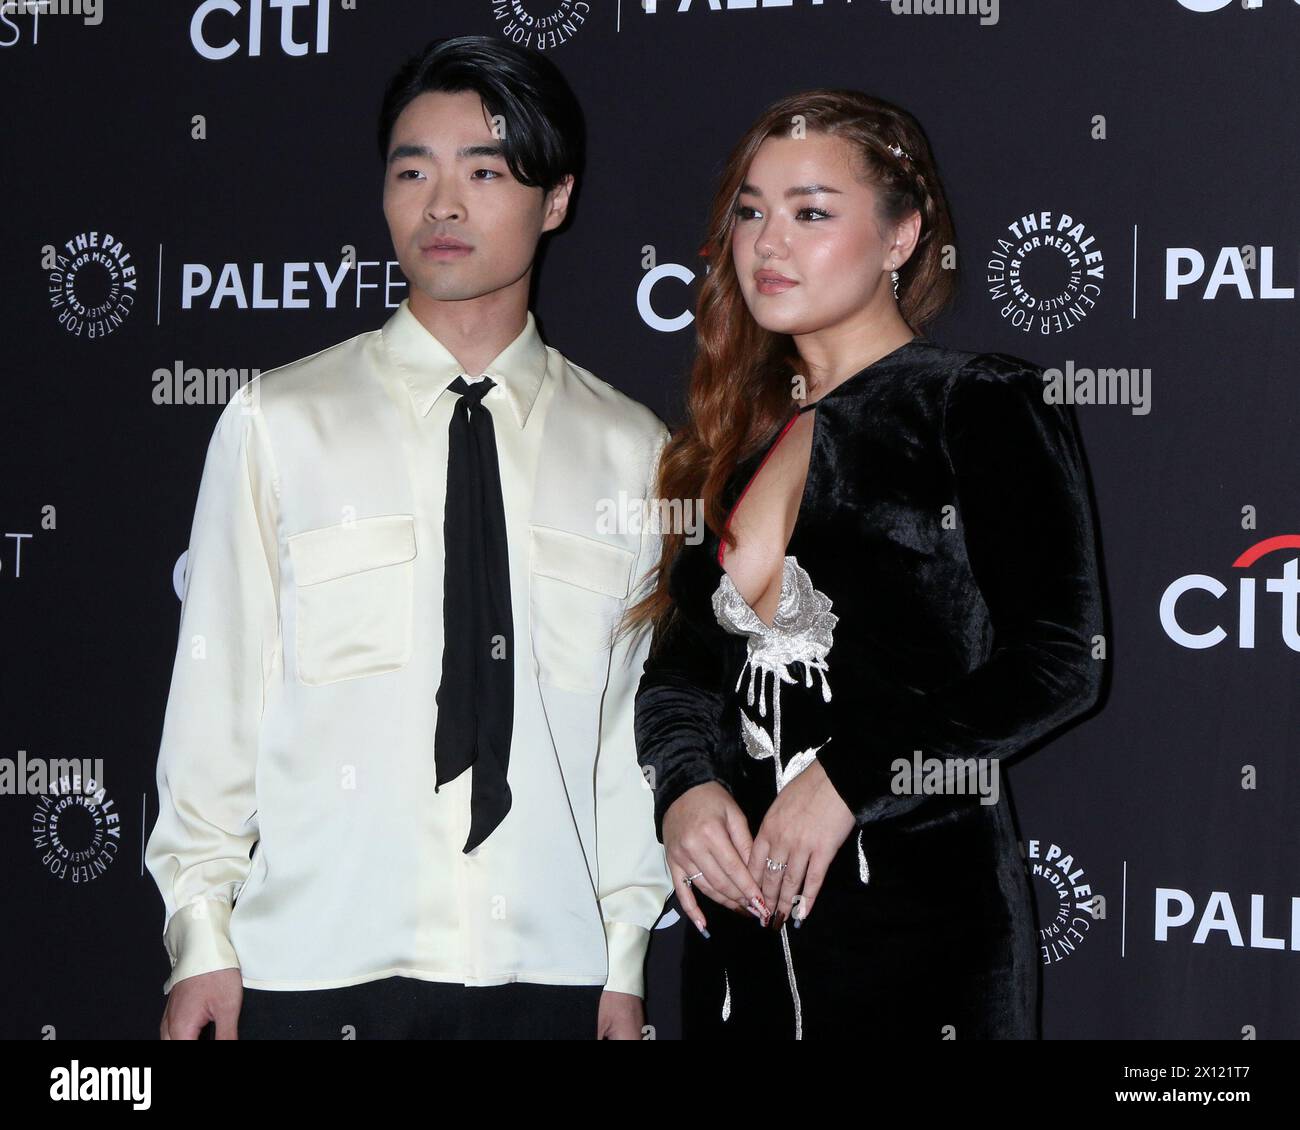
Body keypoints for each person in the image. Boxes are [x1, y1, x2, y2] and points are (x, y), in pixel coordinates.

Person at [146, 35, 672, 1041]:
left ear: (554, 199)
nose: (443, 203)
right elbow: (214, 707)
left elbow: (622, 744)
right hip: (312, 966)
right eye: (412, 168)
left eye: (484, 170)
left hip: (549, 975)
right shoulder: (276, 423)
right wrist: (201, 937)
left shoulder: (633, 453)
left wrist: (622, 960)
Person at [629, 89, 1105, 1040]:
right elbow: (679, 673)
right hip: (739, 947)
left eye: (811, 212)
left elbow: (1058, 661)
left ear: (901, 238)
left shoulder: (978, 403)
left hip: (923, 936)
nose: (769, 243)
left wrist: (851, 778)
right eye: (751, 212)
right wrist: (684, 790)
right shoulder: (726, 441)